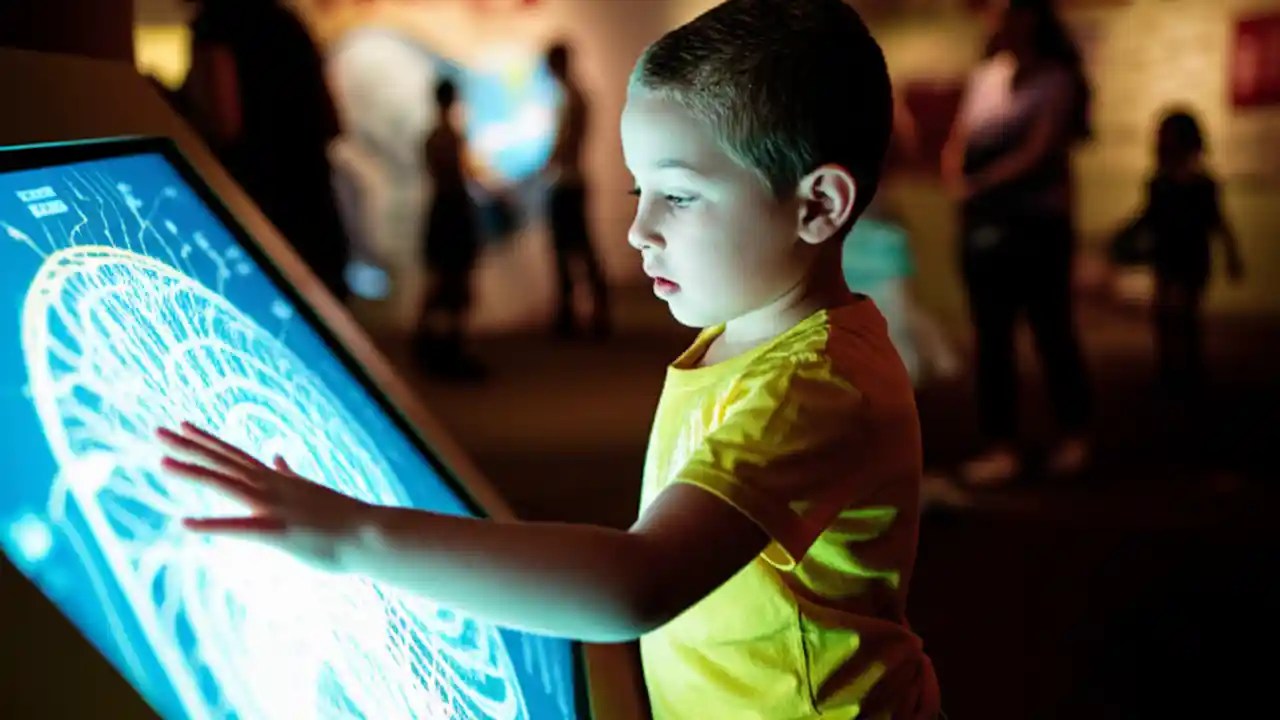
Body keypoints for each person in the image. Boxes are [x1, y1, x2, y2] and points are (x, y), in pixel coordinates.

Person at [158, 1, 940, 717]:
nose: (639, 231)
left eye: (679, 195)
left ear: (818, 206)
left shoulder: (814, 387)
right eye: (638, 192)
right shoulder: (752, 336)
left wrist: (354, 536)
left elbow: (637, 583)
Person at [942, 0, 1094, 487]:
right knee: (992, 337)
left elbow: (1040, 149)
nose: (991, 20)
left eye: (1002, 10)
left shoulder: (1056, 79)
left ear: (1029, 17)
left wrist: (979, 185)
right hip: (984, 224)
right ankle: (1000, 445)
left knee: (1051, 329)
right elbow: (959, 140)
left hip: (1036, 226)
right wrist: (957, 179)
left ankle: (1075, 436)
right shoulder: (987, 76)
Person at [183, 0, 351, 301]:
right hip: (315, 210)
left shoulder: (217, 24)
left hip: (258, 209)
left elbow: (223, 123)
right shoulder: (288, 20)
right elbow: (335, 121)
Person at [1124, 109, 1244, 407]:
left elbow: (1217, 221)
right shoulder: (1162, 182)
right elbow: (1149, 217)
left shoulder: (1198, 183)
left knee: (1183, 314)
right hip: (1170, 255)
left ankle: (1187, 372)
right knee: (1166, 314)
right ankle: (1173, 372)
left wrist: (1232, 255)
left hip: (1189, 256)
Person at [414, 78, 487, 381]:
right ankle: (449, 347)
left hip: (442, 211)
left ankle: (430, 343)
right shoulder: (450, 137)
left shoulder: (432, 137)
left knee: (441, 281)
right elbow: (459, 176)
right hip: (453, 212)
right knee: (455, 282)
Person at [544, 41, 611, 339]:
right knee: (580, 250)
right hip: (572, 181)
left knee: (570, 251)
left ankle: (572, 315)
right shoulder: (574, 95)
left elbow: (565, 145)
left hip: (566, 183)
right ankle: (590, 312)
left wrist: (545, 166)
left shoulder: (570, 98)